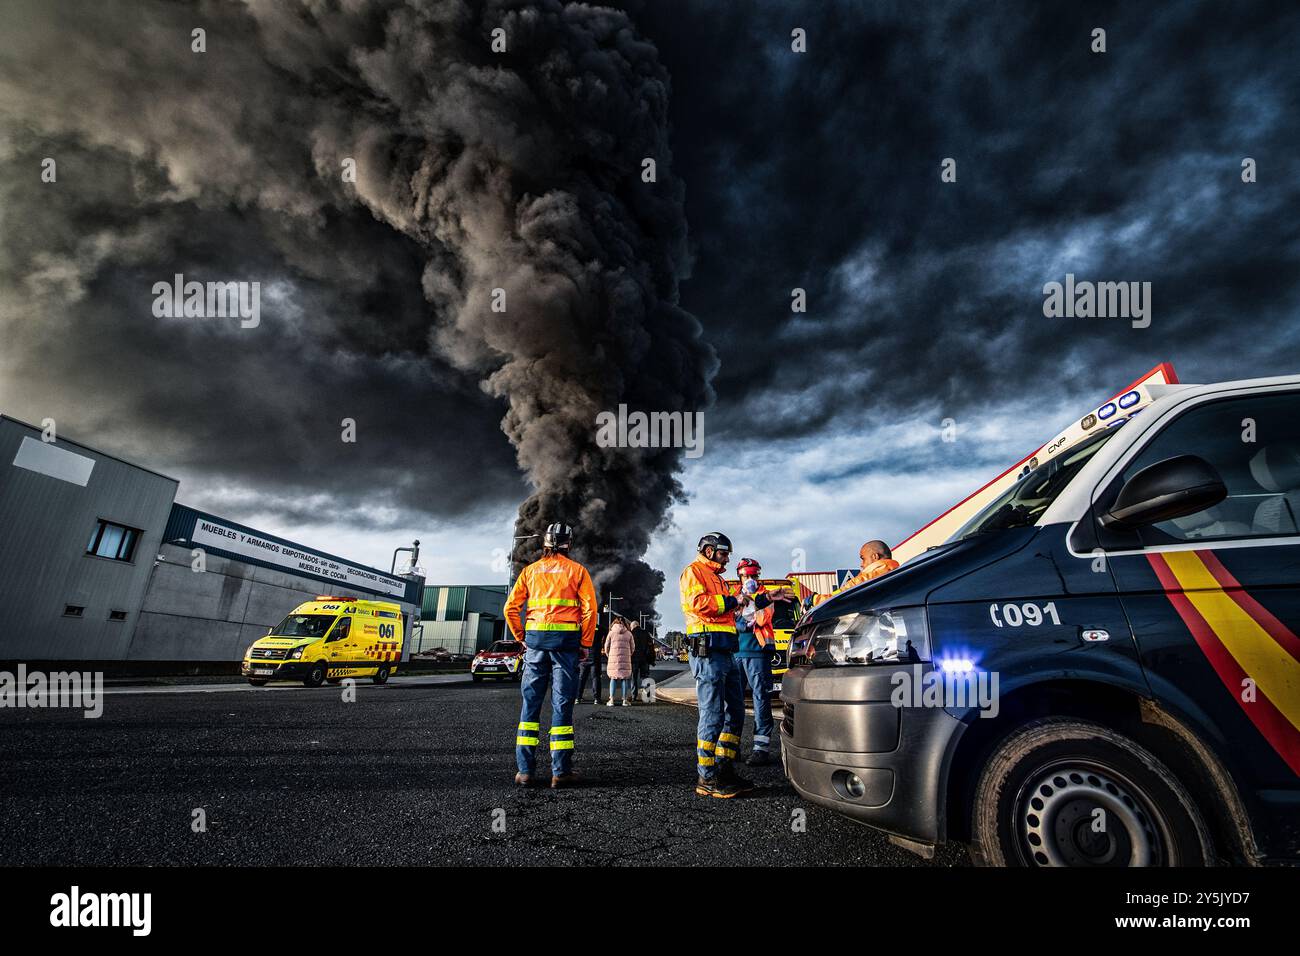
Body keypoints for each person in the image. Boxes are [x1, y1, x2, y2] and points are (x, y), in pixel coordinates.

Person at [679, 532, 780, 798]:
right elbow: (698, 603)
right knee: (712, 715)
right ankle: (707, 776)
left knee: (735, 711)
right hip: (707, 651)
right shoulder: (694, 572)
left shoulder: (718, 579)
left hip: (726, 652)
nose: (727, 559)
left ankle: (724, 768)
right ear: (710, 551)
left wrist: (769, 597)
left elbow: (741, 608)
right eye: (724, 554)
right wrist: (734, 600)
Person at [503, 522, 598, 788]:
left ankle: (524, 771)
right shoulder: (577, 571)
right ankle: (560, 771)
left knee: (530, 705)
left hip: (535, 644)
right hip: (566, 645)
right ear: (569, 544)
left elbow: (510, 608)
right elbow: (590, 610)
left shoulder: (530, 572)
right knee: (562, 705)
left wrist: (522, 637)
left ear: (544, 543)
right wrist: (586, 642)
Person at [732, 558, 779, 766]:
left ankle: (760, 748)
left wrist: (748, 605)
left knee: (761, 698)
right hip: (735, 653)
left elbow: (761, 619)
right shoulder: (733, 595)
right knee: (733, 700)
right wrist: (743, 616)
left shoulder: (767, 595)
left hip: (758, 652)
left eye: (753, 575)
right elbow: (731, 620)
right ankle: (731, 746)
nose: (749, 579)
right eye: (746, 575)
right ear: (739, 576)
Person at [812, 539, 900, 606]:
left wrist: (814, 599)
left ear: (875, 557)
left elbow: (841, 595)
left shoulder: (869, 578)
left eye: (863, 558)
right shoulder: (898, 573)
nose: (862, 564)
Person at [604, 614, 635, 706]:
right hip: (625, 659)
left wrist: (609, 655)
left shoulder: (611, 632)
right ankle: (624, 700)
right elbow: (633, 647)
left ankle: (611, 700)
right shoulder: (629, 633)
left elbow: (606, 646)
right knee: (624, 679)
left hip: (613, 659)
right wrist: (628, 655)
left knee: (613, 678)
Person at [630, 618, 654, 700]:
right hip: (645, 659)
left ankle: (634, 696)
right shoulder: (646, 633)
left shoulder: (631, 633)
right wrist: (652, 659)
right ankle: (648, 695)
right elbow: (651, 647)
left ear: (633, 626)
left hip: (634, 659)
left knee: (634, 677)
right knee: (645, 677)